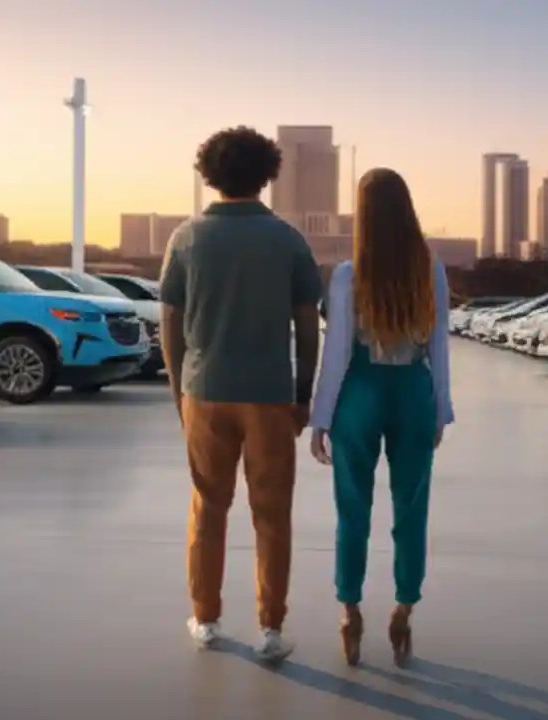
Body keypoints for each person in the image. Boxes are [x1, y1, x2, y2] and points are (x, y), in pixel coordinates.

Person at [159, 126, 322, 663]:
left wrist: (179, 390)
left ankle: (206, 618)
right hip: (270, 394)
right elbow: (306, 328)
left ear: (209, 174)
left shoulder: (185, 238)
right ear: (267, 174)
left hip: (204, 390)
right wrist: (303, 394)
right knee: (271, 513)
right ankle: (271, 628)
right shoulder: (289, 241)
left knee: (209, 507)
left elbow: (170, 324)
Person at [309, 168, 453, 667]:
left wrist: (321, 417)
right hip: (413, 388)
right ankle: (404, 608)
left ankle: (349, 610)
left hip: (361, 391)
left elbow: (337, 353)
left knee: (352, 510)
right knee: (411, 510)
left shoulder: (349, 274)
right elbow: (440, 345)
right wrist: (440, 409)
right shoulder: (430, 269)